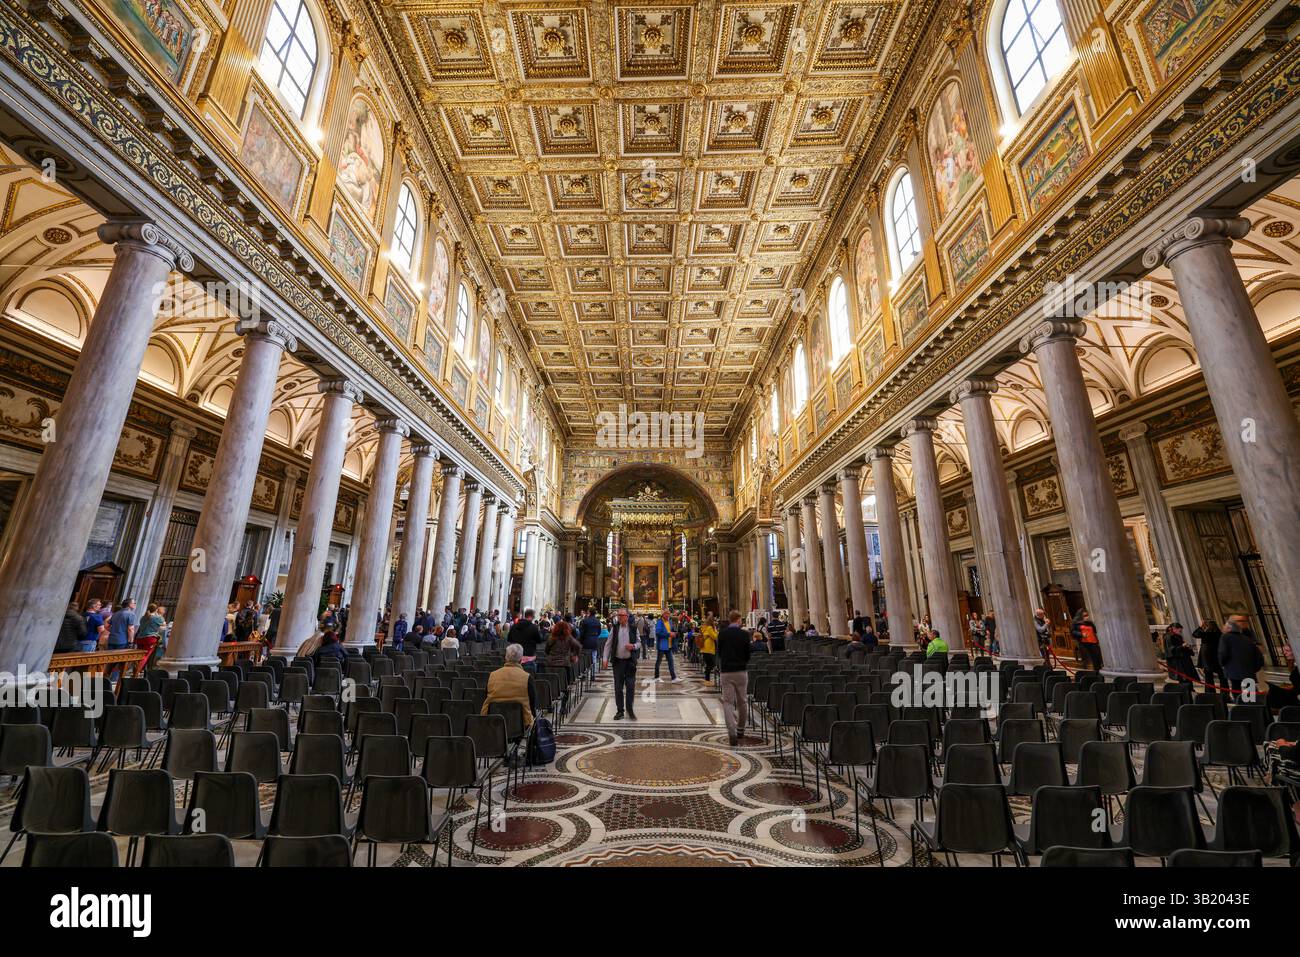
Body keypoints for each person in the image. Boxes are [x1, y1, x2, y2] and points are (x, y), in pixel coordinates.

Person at [717, 611, 752, 746]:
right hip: (741, 671)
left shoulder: (722, 634)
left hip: (726, 671)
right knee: (742, 701)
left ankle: (731, 732)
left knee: (728, 703)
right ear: (738, 620)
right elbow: (748, 654)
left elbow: (719, 653)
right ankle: (741, 730)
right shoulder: (744, 634)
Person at [482, 643, 534, 728]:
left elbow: (485, 696)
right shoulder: (527, 677)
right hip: (520, 725)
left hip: (493, 723)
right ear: (521, 660)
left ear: (506, 658)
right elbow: (532, 703)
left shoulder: (492, 675)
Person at [602, 609, 640, 720]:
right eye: (619, 615)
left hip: (630, 662)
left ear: (627, 617)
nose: (620, 617)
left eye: (622, 616)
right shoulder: (614, 629)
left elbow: (639, 643)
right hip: (618, 662)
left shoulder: (633, 629)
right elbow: (608, 645)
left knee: (630, 686)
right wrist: (605, 659)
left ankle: (630, 709)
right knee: (618, 687)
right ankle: (620, 711)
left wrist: (633, 646)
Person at [1219, 615, 1264, 698]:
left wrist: (1222, 664)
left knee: (1238, 694)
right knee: (1250, 697)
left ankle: (1243, 709)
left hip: (1234, 672)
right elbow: (1258, 655)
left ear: (1229, 628)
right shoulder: (1247, 638)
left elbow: (1223, 654)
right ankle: (1255, 709)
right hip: (1249, 671)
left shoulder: (1225, 637)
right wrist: (1255, 668)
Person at [1194, 618, 1226, 691]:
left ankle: (1210, 693)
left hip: (1207, 659)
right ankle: (1225, 694)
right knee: (1222, 677)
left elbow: (1195, 634)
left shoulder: (1206, 634)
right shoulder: (1219, 634)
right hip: (1217, 657)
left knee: (1208, 677)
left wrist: (1201, 626)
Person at [654, 609, 678, 682]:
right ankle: (657, 677)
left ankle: (674, 678)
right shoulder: (660, 622)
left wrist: (674, 633)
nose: (667, 615)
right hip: (662, 645)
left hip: (669, 645)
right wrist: (669, 634)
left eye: (668, 613)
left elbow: (671, 630)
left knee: (671, 662)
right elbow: (658, 633)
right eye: (666, 614)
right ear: (663, 614)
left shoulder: (670, 621)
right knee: (659, 662)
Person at [578, 608, 603, 675]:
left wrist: (581, 641)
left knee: (585, 657)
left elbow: (581, 633)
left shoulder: (585, 621)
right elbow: (599, 632)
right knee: (594, 657)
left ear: (589, 612)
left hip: (586, 641)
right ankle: (593, 674)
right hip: (594, 640)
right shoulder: (597, 621)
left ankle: (584, 674)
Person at [698, 615, 719, 684]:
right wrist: (716, 631)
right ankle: (707, 680)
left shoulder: (704, 627)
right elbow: (715, 637)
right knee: (711, 664)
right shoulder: (710, 628)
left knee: (709, 665)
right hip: (709, 648)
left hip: (705, 648)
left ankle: (707, 680)